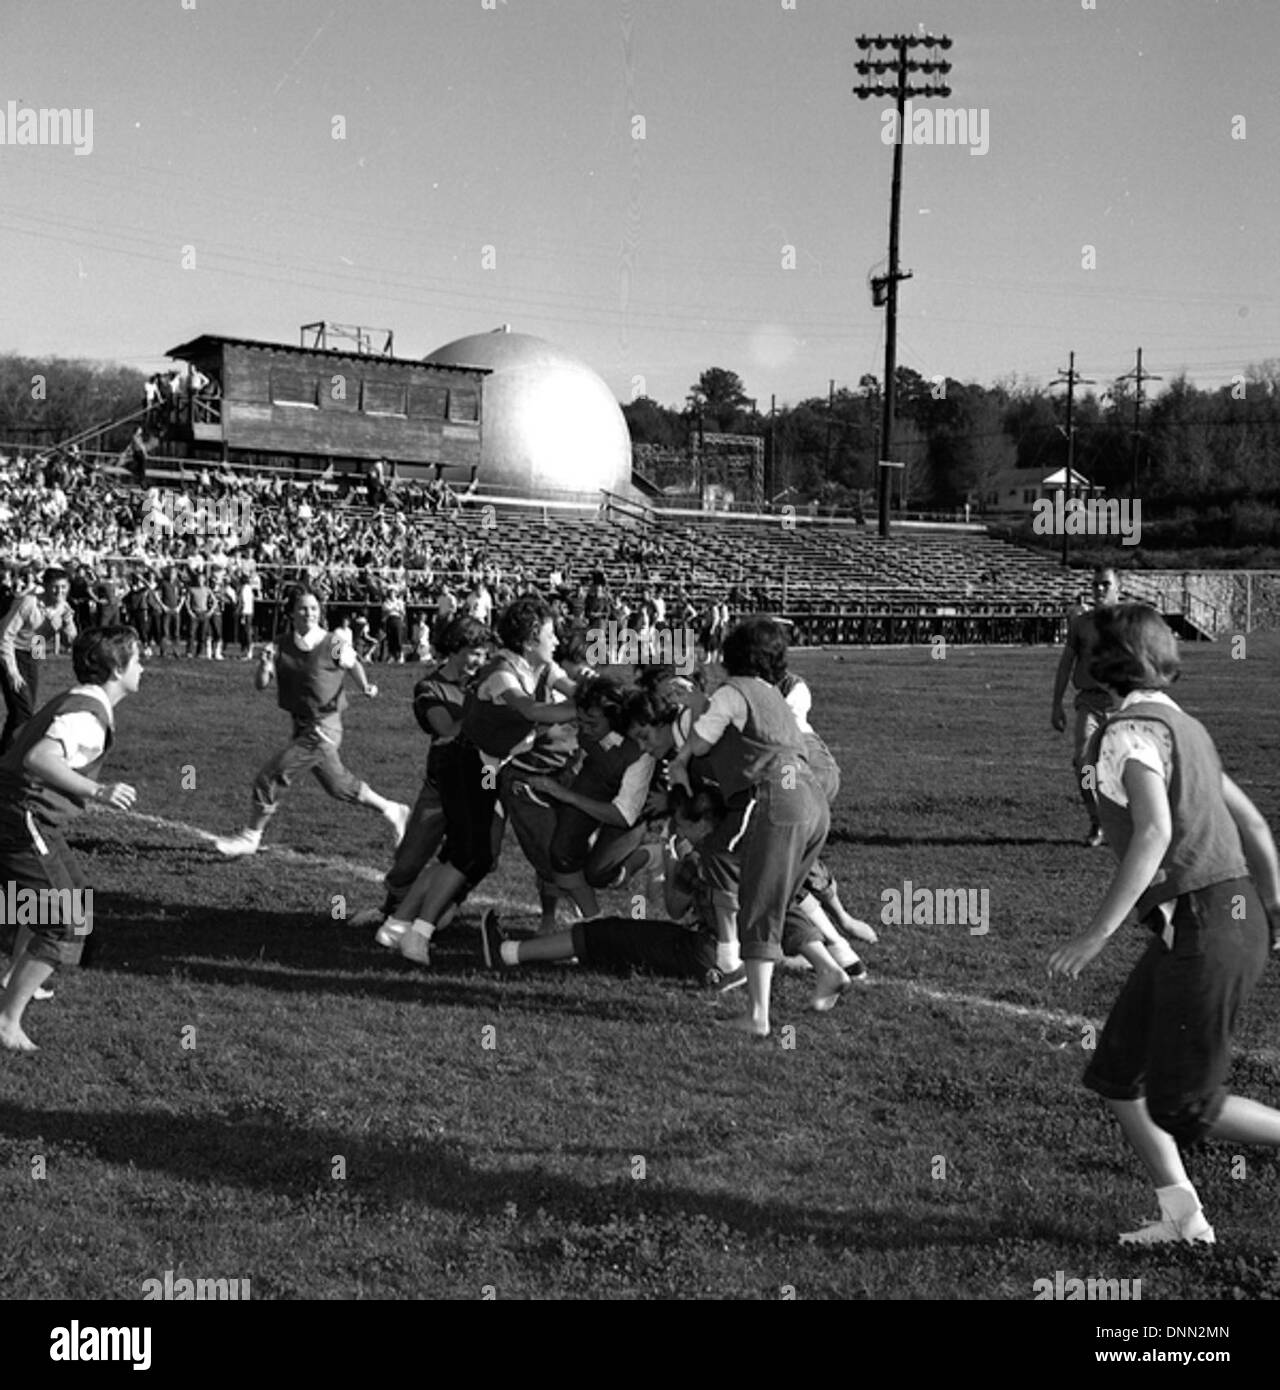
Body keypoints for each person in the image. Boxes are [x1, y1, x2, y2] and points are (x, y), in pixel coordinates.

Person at [1048, 604, 1280, 1246]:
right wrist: (1273, 909)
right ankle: (1184, 1219)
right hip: (1230, 916)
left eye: (1081, 647)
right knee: (1119, 1074)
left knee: (1185, 1105)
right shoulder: (1184, 726)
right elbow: (1255, 826)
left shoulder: (1127, 734)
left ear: (1103, 664)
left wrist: (1094, 935)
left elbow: (1155, 832)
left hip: (1206, 924)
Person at [666, 616, 830, 1037]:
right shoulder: (773, 694)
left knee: (750, 892)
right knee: (779, 894)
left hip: (776, 797)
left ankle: (757, 1014)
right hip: (811, 797)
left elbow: (702, 739)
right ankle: (831, 966)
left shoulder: (732, 692)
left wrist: (681, 762)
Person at [392, 597, 579, 965]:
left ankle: (402, 925)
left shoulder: (542, 666)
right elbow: (533, 710)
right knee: (470, 854)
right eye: (549, 634)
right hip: (465, 763)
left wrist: (592, 692)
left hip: (486, 768)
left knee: (475, 854)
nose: (556, 641)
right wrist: (591, 707)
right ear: (528, 641)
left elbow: (569, 686)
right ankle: (416, 932)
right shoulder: (501, 672)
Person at [0, 626, 142, 1053]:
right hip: (20, 816)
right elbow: (39, 757)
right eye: (137, 659)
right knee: (62, 920)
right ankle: (7, 1021)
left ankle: (12, 977)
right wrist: (98, 791)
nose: (143, 667)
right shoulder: (88, 715)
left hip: (24, 816)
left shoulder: (83, 699)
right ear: (117, 668)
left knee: (75, 900)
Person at [213, 588, 409, 858]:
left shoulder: (333, 641)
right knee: (338, 786)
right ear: (292, 612)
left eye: (314, 608)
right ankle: (393, 810)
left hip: (325, 727)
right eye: (303, 608)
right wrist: (264, 665)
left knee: (270, 776)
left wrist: (365, 686)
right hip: (301, 726)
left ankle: (251, 836)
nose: (310, 613)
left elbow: (353, 664)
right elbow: (261, 685)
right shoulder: (279, 644)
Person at [351, 616, 491, 936]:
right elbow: (448, 730)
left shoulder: (488, 680)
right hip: (442, 785)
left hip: (484, 784)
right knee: (410, 860)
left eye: (484, 655)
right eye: (474, 653)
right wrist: (488, 707)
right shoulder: (429, 688)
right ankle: (390, 910)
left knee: (478, 855)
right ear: (455, 649)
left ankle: (442, 907)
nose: (480, 661)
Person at [519, 675, 654, 921]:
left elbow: (623, 815)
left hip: (636, 803)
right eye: (581, 721)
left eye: (592, 723)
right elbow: (540, 716)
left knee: (599, 874)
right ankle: (593, 921)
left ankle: (648, 855)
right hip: (599, 775)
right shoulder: (588, 719)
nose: (585, 729)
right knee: (561, 851)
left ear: (615, 719)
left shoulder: (640, 750)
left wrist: (565, 795)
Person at [1052, 566, 1121, 845]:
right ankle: (1097, 822)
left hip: (1121, 705)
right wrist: (1056, 704)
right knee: (1083, 763)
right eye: (1095, 585)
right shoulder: (1081, 623)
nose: (1099, 590)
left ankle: (1131, 824)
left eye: (1106, 584)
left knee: (1126, 768)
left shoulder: (1128, 622)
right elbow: (1066, 662)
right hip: (1089, 703)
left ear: (1119, 588)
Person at [0, 568, 78, 753]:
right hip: (10, 652)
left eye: (64, 587)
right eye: (55, 587)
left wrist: (68, 623)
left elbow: (69, 642)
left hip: (32, 653)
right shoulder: (29, 603)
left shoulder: (63, 607)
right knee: (23, 711)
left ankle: (6, 754)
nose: (60, 592)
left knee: (23, 709)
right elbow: (5, 636)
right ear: (45, 587)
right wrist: (12, 672)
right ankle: (10, 757)